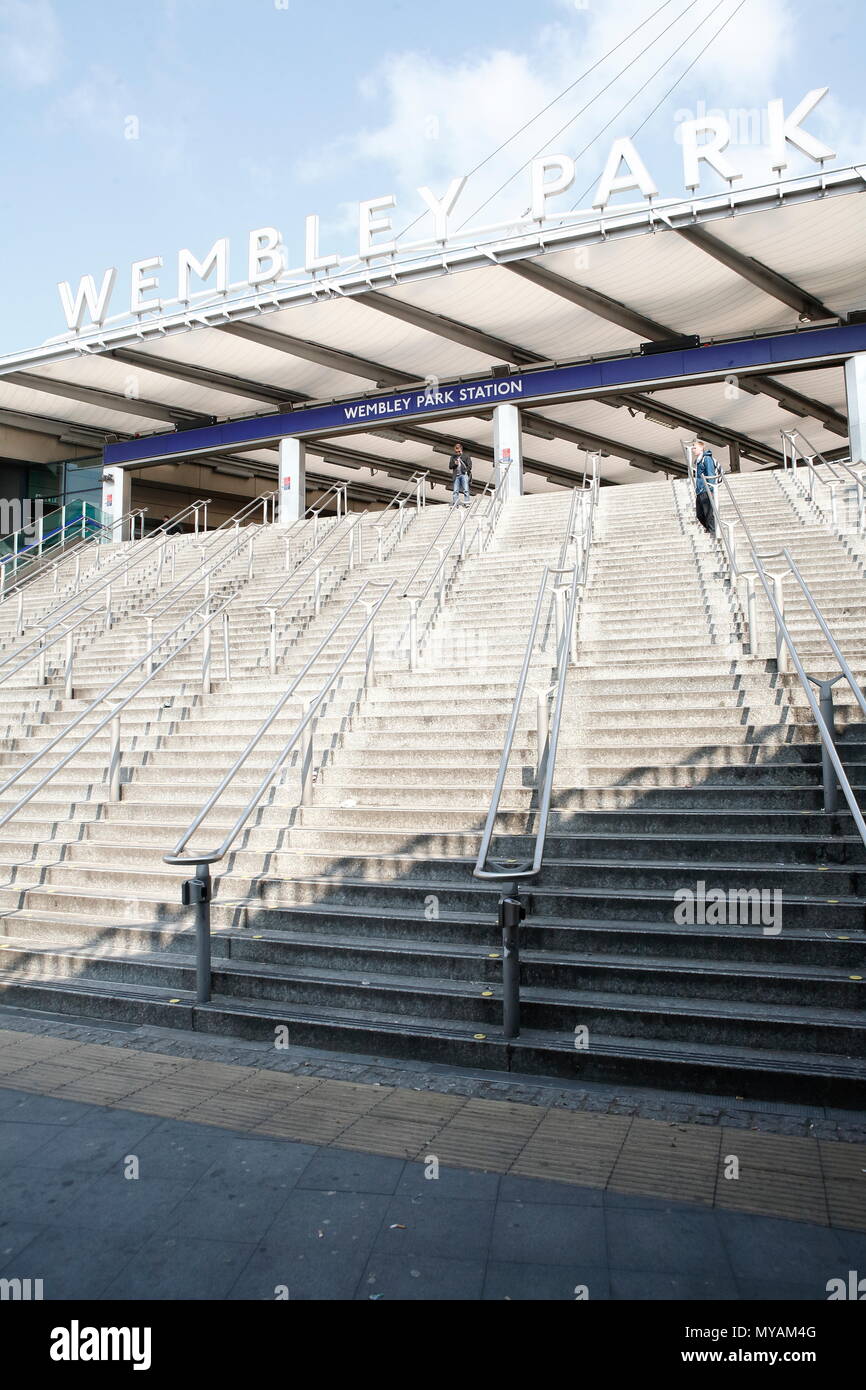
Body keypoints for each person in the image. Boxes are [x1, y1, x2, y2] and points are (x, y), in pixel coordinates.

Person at [693, 439, 719, 534]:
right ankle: (709, 529)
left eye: (695, 448)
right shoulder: (698, 461)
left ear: (701, 448)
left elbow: (710, 474)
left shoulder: (706, 459)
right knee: (699, 514)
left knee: (708, 513)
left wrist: (711, 489)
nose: (693, 450)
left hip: (706, 489)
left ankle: (712, 531)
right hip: (700, 490)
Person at [449, 443, 472, 508]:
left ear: (461, 450)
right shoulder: (453, 457)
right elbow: (450, 466)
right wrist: (455, 464)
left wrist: (465, 471)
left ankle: (467, 502)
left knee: (466, 489)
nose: (457, 453)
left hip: (463, 475)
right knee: (455, 491)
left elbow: (470, 466)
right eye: (456, 452)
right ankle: (456, 503)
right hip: (456, 475)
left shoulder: (466, 456)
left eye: (459, 451)